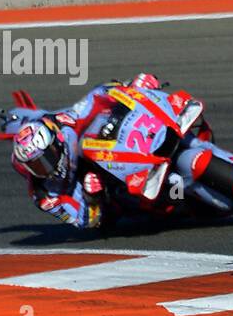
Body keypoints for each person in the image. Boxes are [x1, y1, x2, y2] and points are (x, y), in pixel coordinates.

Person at [10, 72, 163, 229]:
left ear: (56, 143)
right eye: (34, 166)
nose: (43, 169)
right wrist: (92, 197)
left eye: (45, 159)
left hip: (106, 148)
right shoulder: (45, 196)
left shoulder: (65, 123)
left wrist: (130, 89)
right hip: (106, 203)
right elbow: (85, 221)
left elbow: (94, 98)